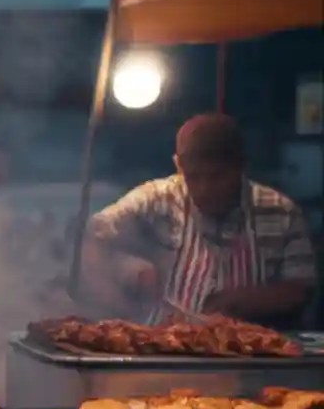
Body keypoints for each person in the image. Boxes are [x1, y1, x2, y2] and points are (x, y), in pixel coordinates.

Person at [81, 113, 317, 328]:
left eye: (217, 177)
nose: (205, 189)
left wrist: (243, 300)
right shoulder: (155, 200)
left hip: (252, 358)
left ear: (241, 166)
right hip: (162, 350)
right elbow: (89, 236)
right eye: (194, 177)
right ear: (178, 165)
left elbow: (300, 290)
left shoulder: (281, 212)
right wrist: (120, 290)